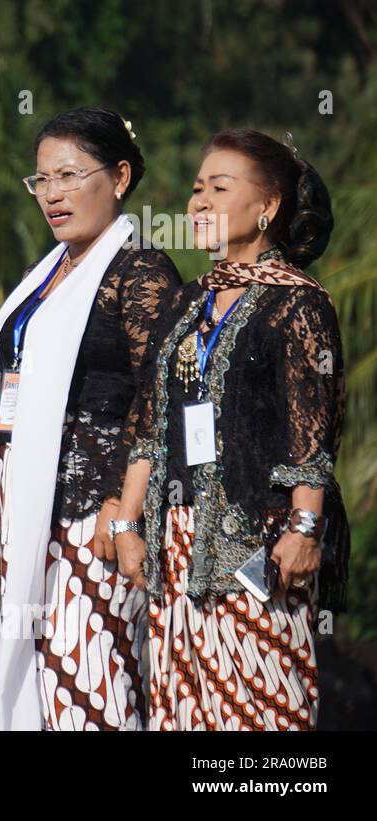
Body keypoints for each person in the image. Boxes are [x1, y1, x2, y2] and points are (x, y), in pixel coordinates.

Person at [0, 109, 179, 730]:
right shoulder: (42, 276)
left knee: (89, 679)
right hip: (18, 504)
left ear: (121, 176)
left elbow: (158, 394)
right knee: (31, 682)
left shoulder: (139, 270)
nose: (52, 194)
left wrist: (121, 502)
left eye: (70, 175)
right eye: (41, 180)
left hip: (92, 508)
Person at [115, 129, 347, 731]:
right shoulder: (188, 302)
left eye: (220, 188)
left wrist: (304, 526)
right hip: (178, 535)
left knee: (265, 701)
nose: (198, 203)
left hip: (259, 534)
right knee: (181, 700)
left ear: (267, 207)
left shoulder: (297, 303)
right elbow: (151, 420)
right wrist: (127, 522)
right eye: (196, 189)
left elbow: (311, 429)